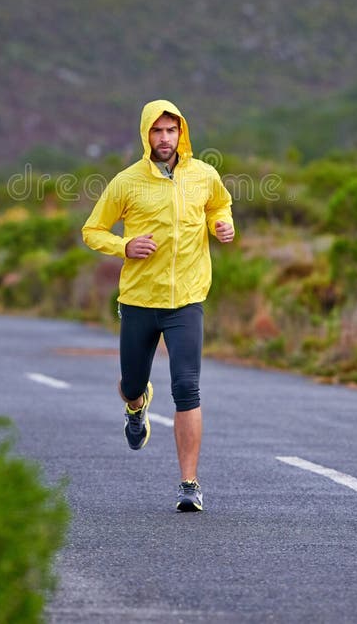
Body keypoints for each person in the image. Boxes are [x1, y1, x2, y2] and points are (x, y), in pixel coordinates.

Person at [82, 99, 235, 512]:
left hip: (187, 299)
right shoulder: (127, 182)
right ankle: (136, 405)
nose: (164, 138)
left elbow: (220, 204)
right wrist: (124, 245)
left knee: (187, 388)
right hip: (138, 300)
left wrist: (223, 225)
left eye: (171, 130)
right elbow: (92, 230)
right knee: (132, 383)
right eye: (157, 131)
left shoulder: (204, 175)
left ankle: (189, 484)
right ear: (145, 134)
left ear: (180, 132)